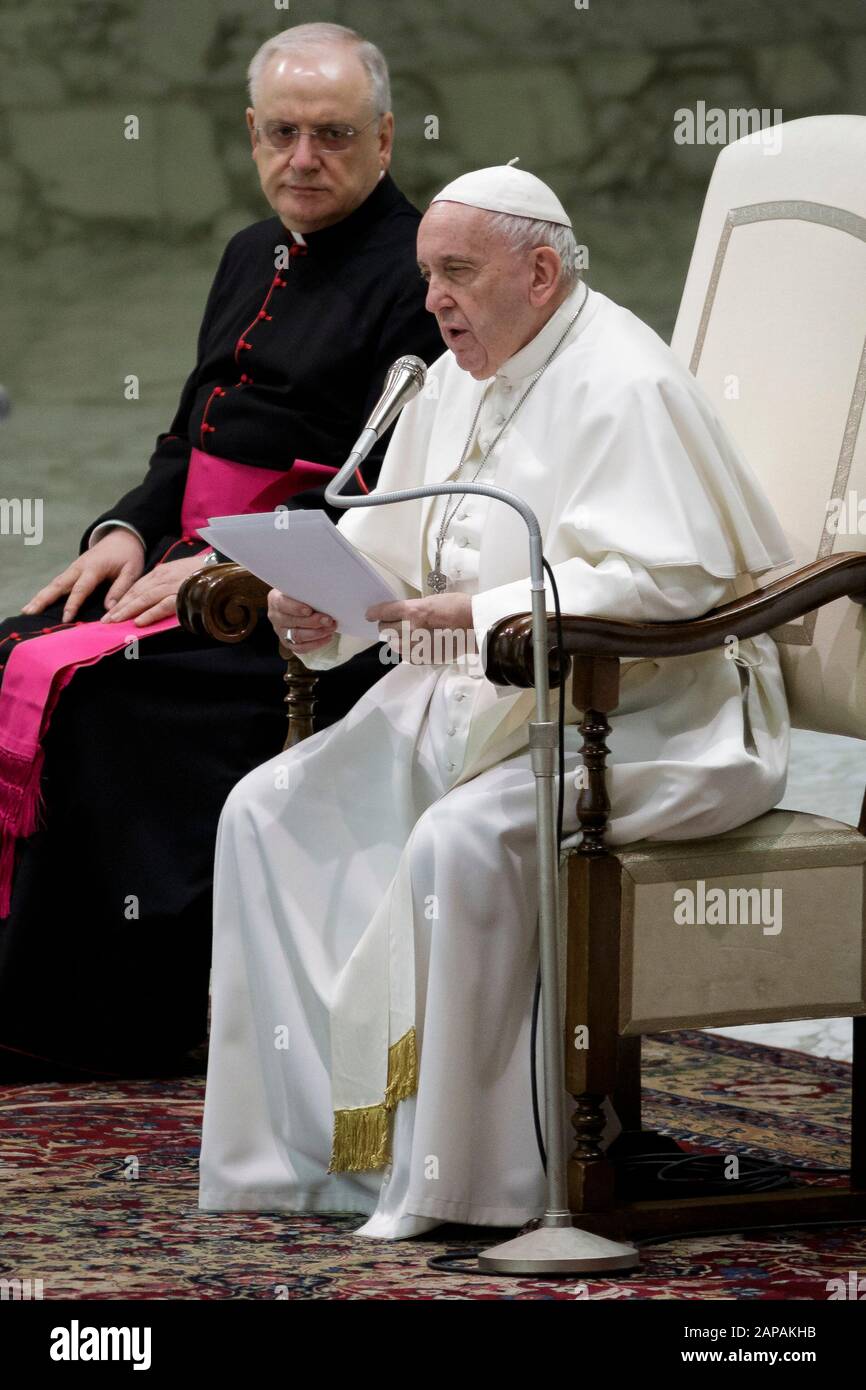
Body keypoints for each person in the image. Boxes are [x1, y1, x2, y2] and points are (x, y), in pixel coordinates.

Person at [197, 165, 792, 1239]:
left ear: (540, 270)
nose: (433, 300)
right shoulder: (453, 379)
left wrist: (482, 614)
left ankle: (465, 1182)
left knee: (458, 847)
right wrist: (319, 609)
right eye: (428, 274)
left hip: (644, 720)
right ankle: (310, 1156)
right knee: (262, 812)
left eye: (455, 272)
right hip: (469, 706)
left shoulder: (624, 385)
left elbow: (666, 584)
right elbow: (388, 550)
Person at [0, 23, 442, 1082]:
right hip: (186, 558)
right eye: (281, 133)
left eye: (332, 135)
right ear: (250, 135)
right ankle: (20, 985)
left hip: (301, 605)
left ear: (383, 138)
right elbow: (188, 438)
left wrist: (221, 567)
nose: (303, 158)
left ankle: (113, 1016)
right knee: (17, 643)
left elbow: (394, 495)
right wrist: (121, 531)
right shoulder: (252, 252)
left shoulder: (419, 273)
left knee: (104, 702)